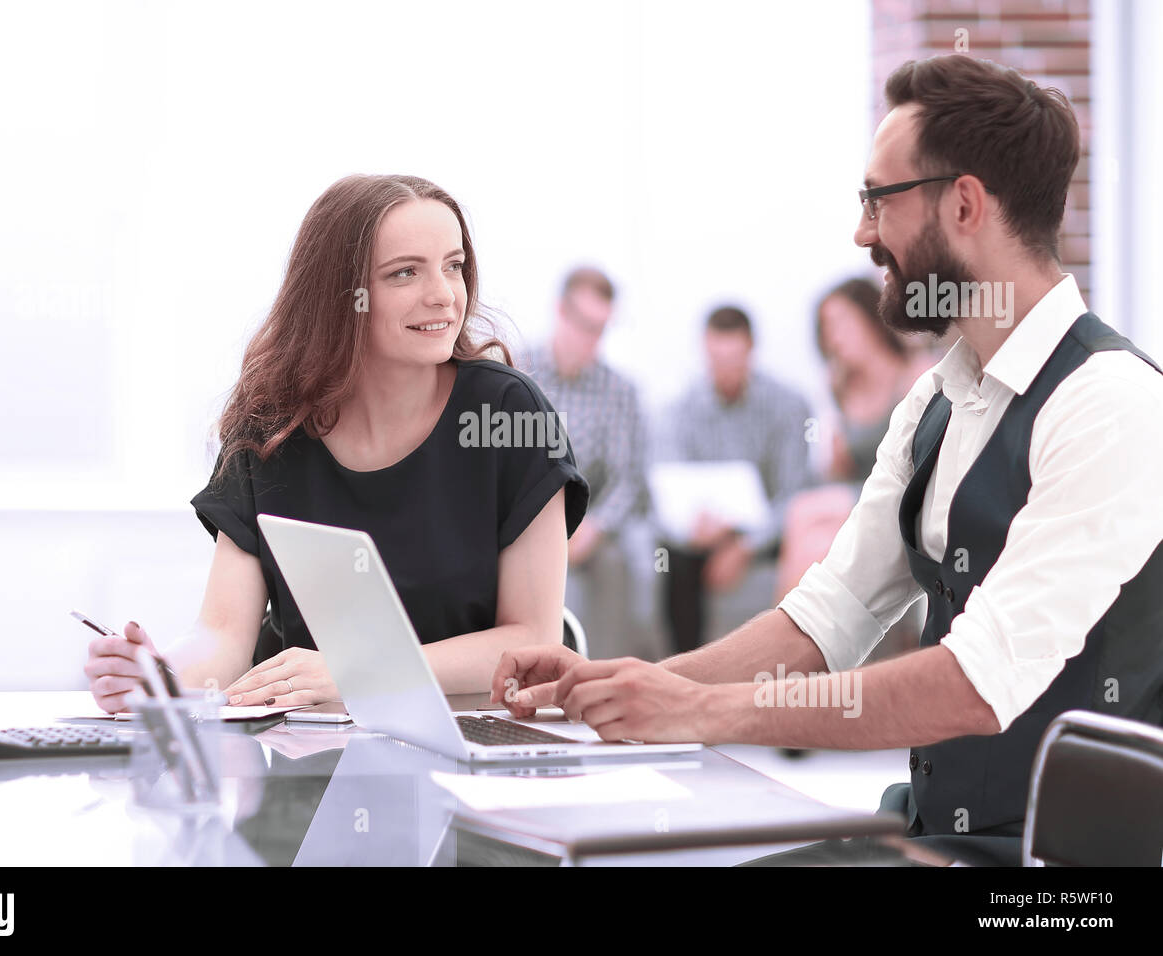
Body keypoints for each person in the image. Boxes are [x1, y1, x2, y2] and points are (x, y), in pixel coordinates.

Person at [491, 54, 1163, 867]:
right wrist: (621, 689)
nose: (862, 233)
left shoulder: (1115, 406)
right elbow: (828, 617)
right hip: (933, 830)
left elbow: (974, 684)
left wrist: (700, 714)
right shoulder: (936, 403)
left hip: (1058, 872)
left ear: (963, 203)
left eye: (879, 199)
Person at [85, 173, 588, 714]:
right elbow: (224, 637)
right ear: (343, 296)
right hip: (305, 751)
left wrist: (357, 672)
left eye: (454, 265)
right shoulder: (273, 425)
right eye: (404, 273)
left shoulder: (508, 414)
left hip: (467, 741)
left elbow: (533, 642)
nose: (444, 295)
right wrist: (159, 677)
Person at [773, 278, 928, 656]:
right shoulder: (839, 385)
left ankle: (778, 655)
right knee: (810, 539)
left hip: (901, 492)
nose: (834, 337)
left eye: (842, 322)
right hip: (857, 495)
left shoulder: (914, 372)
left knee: (802, 511)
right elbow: (836, 473)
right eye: (826, 328)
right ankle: (795, 657)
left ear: (870, 318)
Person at [656, 306, 812, 654]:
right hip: (706, 533)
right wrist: (696, 527)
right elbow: (673, 487)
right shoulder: (683, 408)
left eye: (733, 359)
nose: (724, 370)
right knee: (672, 557)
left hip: (770, 531)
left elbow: (793, 495)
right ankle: (683, 669)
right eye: (716, 359)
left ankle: (781, 667)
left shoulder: (788, 405)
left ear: (751, 352)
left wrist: (745, 545)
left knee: (800, 535)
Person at [522, 267, 652, 660]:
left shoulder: (619, 391)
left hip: (586, 524)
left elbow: (626, 481)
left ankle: (602, 675)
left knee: (614, 561)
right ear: (561, 311)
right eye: (585, 325)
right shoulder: (514, 371)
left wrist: (592, 528)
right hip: (522, 516)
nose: (592, 340)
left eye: (601, 329)